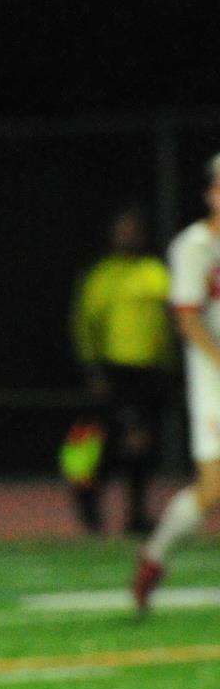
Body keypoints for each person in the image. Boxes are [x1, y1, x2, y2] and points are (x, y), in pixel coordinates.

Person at [135, 159, 220, 613]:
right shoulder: (193, 246)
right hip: (214, 381)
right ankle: (153, 557)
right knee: (213, 490)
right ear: (211, 193)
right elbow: (187, 319)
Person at [70, 205, 172, 535]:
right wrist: (93, 369)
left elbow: (171, 322)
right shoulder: (102, 275)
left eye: (133, 229)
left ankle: (136, 516)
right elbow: (85, 325)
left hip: (150, 373)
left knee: (142, 449)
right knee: (111, 445)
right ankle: (86, 498)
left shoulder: (156, 272)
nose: (128, 235)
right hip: (116, 372)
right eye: (122, 229)